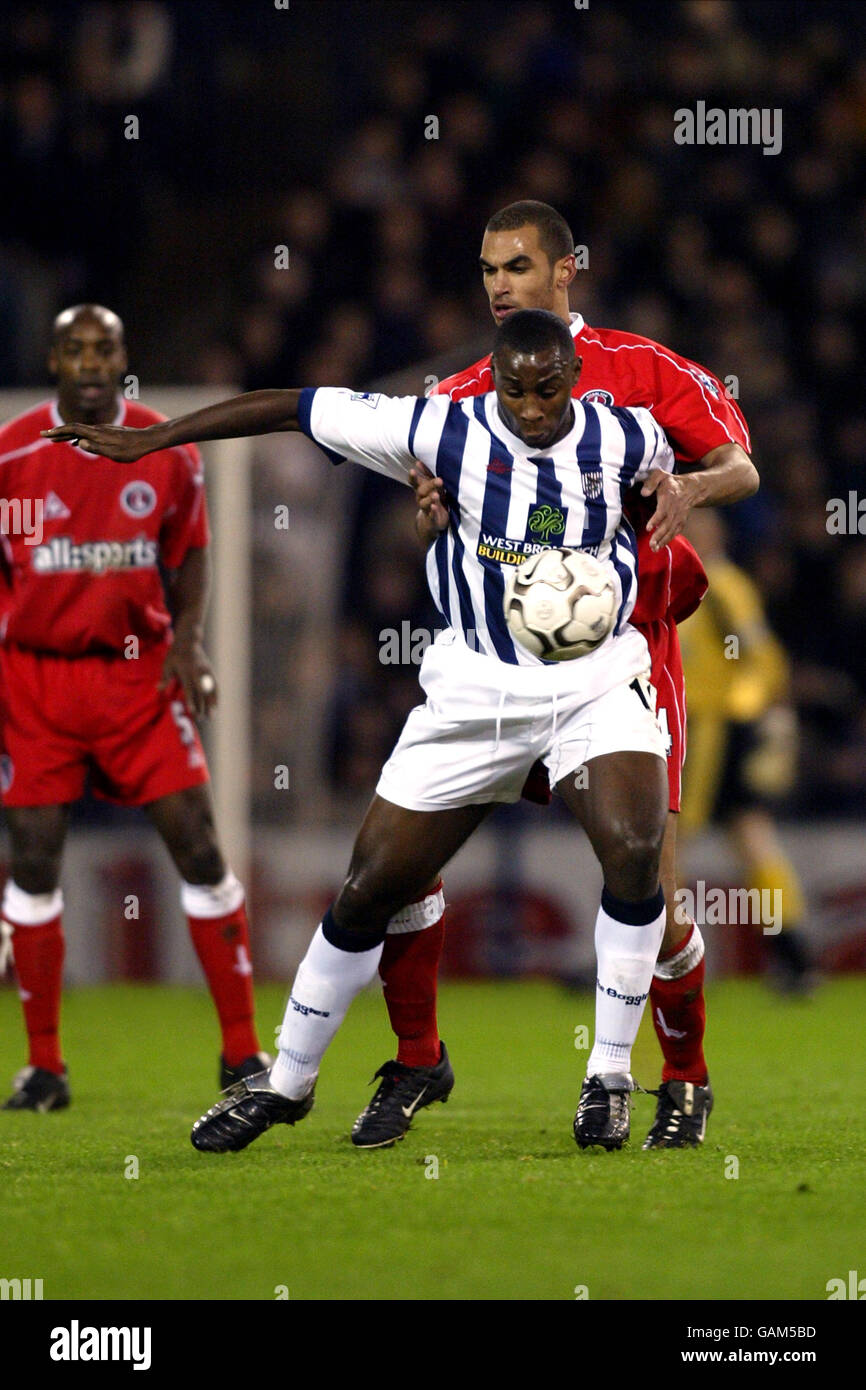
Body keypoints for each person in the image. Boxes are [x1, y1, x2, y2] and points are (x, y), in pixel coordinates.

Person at [44, 308, 759, 1154]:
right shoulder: (437, 427)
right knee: (369, 888)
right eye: (514, 389)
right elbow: (290, 405)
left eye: (546, 389)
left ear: (574, 379)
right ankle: (288, 1080)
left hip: (594, 683)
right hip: (471, 692)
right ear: (493, 378)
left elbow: (726, 473)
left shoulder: (628, 437)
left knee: (638, 851)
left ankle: (607, 1075)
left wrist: (683, 492)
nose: (529, 408)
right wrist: (154, 440)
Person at [359, 200, 756, 1152]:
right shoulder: (465, 392)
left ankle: (682, 1077)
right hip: (496, 667)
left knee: (646, 886)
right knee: (404, 866)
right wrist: (426, 504)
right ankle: (417, 1057)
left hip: (621, 655)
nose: (499, 286)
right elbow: (426, 487)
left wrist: (692, 486)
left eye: (518, 267)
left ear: (567, 269)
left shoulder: (645, 369)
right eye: (489, 270)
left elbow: (739, 464)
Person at [0, 304, 270, 1112]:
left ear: (123, 358)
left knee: (197, 844)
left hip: (137, 679)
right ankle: (45, 1067)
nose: (89, 362)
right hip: (36, 680)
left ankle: (242, 1052)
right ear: (53, 362)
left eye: (104, 348)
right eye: (74, 350)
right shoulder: (10, 455)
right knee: (36, 857)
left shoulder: (167, 449)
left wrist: (189, 641)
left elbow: (190, 555)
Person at [678, 509, 814, 992]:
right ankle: (794, 953)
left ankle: (636, 953)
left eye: (699, 526)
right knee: (750, 836)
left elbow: (764, 660)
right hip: (703, 726)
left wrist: (742, 710)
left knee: (668, 839)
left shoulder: (723, 586)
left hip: (711, 730)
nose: (690, 531)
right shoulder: (686, 579)